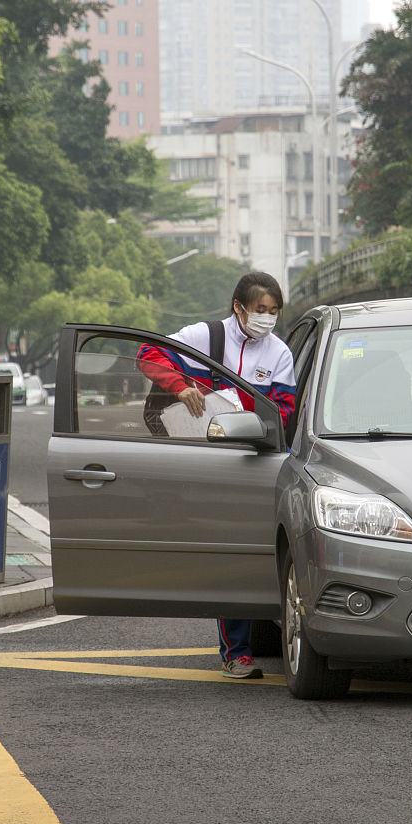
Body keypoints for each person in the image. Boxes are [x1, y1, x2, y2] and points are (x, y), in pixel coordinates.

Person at [137, 271, 296, 680]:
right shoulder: (204, 336)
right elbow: (147, 353)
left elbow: (283, 408)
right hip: (204, 461)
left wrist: (246, 415)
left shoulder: (279, 352)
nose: (267, 319)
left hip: (252, 459)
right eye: (260, 310)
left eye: (274, 311)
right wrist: (181, 386)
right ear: (238, 308)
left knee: (251, 553)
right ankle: (236, 652)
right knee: (226, 551)